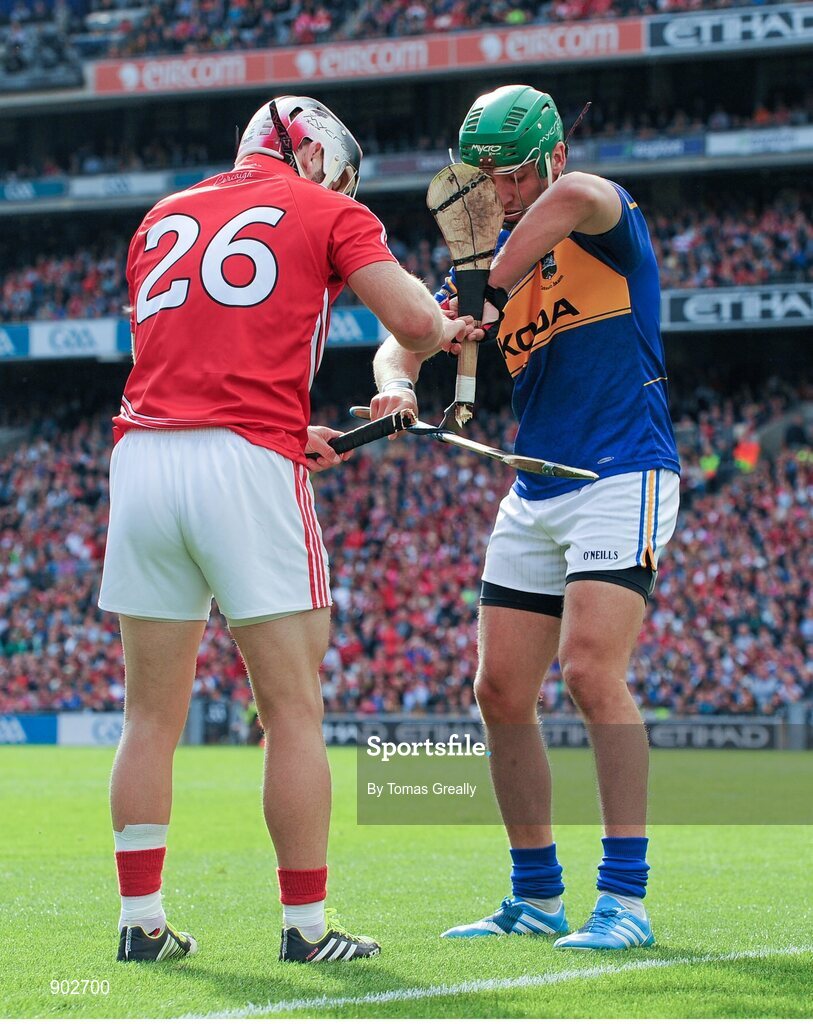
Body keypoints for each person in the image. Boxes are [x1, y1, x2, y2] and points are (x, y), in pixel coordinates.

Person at [98, 95, 473, 965]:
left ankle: (141, 921)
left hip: (143, 458)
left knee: (148, 717)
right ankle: (306, 928)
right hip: (244, 471)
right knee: (293, 709)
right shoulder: (329, 209)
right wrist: (446, 327)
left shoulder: (160, 215)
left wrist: (278, 422)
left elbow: (186, 355)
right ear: (310, 156)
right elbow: (414, 323)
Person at [370, 85, 681, 950]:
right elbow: (404, 333)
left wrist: (491, 291)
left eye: (513, 175)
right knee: (499, 690)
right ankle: (535, 894)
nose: (500, 193)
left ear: (550, 156)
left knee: (588, 672)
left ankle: (623, 898)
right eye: (486, 179)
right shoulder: (484, 260)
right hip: (534, 485)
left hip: (622, 471)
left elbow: (576, 201)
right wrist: (399, 380)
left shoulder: (598, 213)